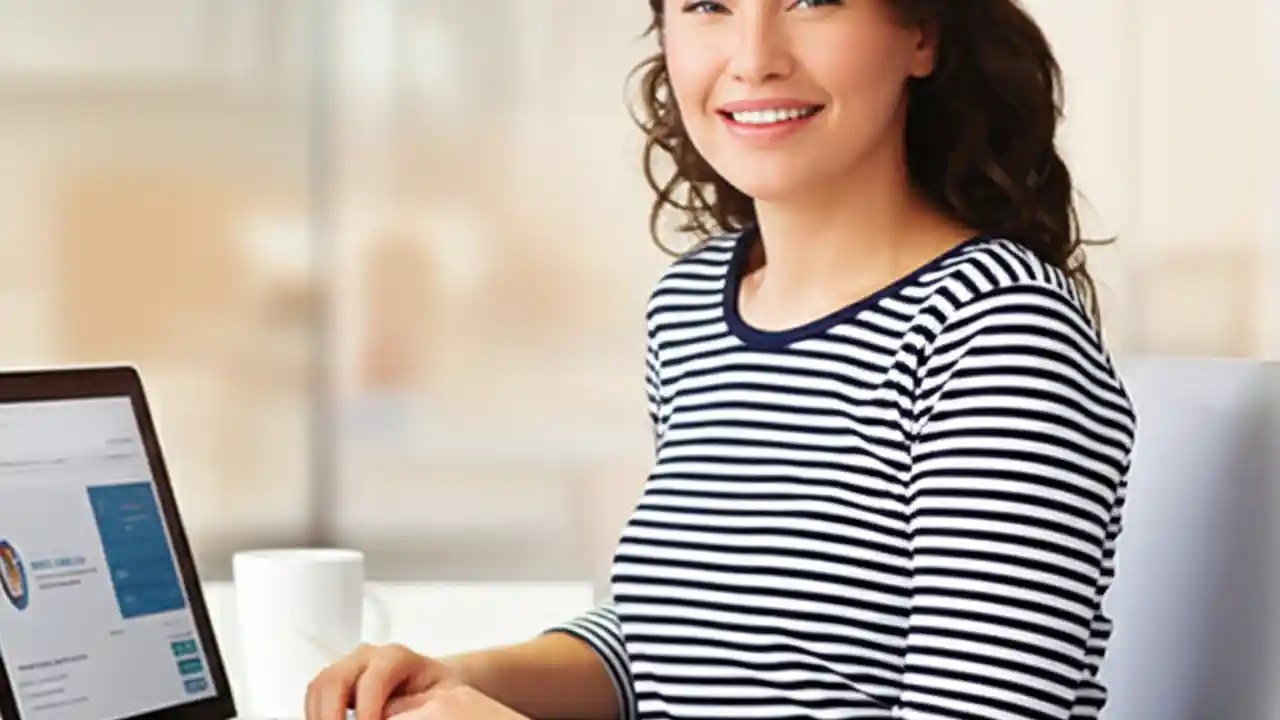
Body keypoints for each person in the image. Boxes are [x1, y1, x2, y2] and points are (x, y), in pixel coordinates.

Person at [305, 0, 1138, 718]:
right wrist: (460, 675)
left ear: (921, 33)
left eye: (813, 1)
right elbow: (679, 647)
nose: (754, 58)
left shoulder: (996, 331)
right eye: (708, 4)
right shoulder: (693, 305)